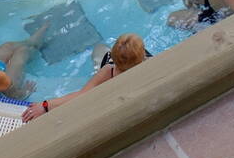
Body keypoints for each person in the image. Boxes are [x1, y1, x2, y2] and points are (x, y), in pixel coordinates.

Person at [20, 33, 150, 122]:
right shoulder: (149, 64)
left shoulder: (107, 71)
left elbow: (81, 95)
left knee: (99, 48)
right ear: (143, 55)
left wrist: (46, 105)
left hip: (109, 72)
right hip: (125, 66)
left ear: (114, 55)